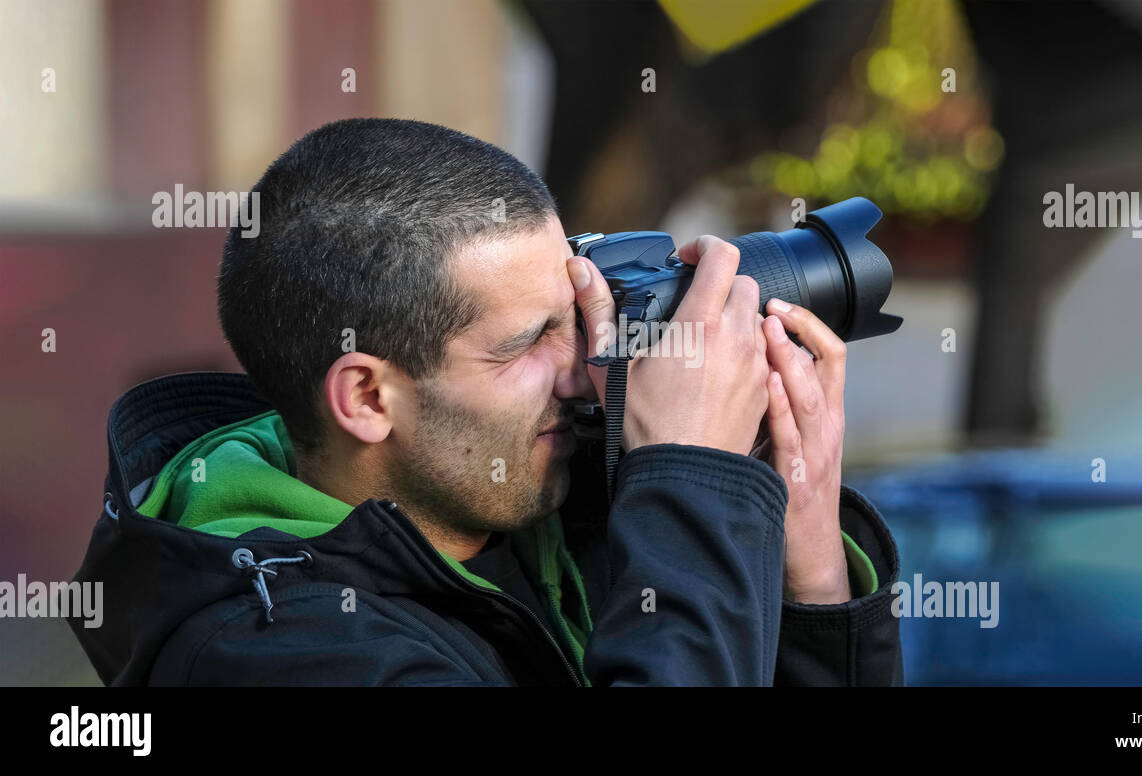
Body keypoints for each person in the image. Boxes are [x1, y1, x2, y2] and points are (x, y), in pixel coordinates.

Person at [68, 118, 902, 686]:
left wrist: (810, 576)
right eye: (527, 344)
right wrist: (695, 486)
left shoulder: (548, 513)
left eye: (577, 314)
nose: (585, 370)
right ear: (365, 397)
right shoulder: (279, 651)